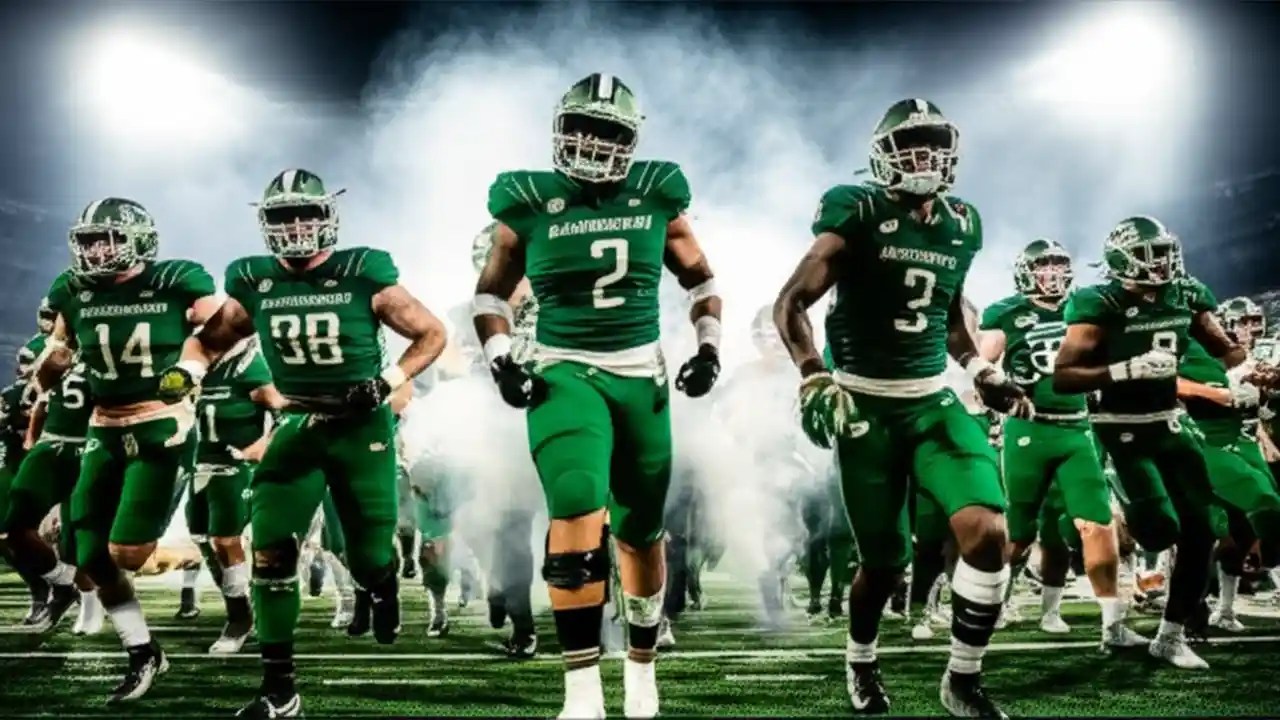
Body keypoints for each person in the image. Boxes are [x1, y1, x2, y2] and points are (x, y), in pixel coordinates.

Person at [473, 73, 722, 719]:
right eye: (581, 127)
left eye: (607, 130)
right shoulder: (526, 198)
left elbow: (700, 280)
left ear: (630, 139)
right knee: (576, 503)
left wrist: (710, 346)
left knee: (640, 533)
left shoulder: (658, 191)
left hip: (641, 375)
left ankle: (641, 664)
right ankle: (580, 692)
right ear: (559, 128)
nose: (591, 141)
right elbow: (489, 295)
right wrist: (501, 359)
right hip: (563, 371)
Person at [156, 168, 446, 719]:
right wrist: (188, 373)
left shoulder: (363, 272)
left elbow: (432, 334)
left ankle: (379, 585)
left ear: (327, 217)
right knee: (270, 547)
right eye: (283, 217)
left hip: (361, 429)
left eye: (305, 214)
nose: (295, 227)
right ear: (265, 224)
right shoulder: (256, 279)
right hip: (299, 424)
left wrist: (386, 382)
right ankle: (279, 689)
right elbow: (209, 339)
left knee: (364, 553)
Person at [774, 98, 1026, 717]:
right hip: (864, 406)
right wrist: (813, 375)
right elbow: (790, 303)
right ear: (882, 155)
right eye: (910, 145)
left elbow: (948, 314)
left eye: (935, 144)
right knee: (883, 566)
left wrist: (981, 370)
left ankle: (962, 679)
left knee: (988, 532)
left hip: (932, 402)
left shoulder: (962, 223)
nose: (925, 158)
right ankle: (860, 661)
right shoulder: (856, 209)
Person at [1053, 215, 1267, 669]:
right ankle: (1129, 552)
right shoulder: (1100, 301)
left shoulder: (1186, 293)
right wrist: (1123, 370)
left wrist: (1241, 374)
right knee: (1158, 528)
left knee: (1203, 528)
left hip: (1170, 422)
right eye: (1150, 256)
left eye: (1166, 252)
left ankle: (1170, 635)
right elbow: (1065, 376)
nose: (1162, 264)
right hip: (1120, 423)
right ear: (1120, 259)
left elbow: (1224, 345)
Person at [37, 197, 220, 702]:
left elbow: (225, 327)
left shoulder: (177, 279)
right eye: (89, 240)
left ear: (140, 239)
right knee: (91, 557)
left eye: (109, 239)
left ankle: (196, 555)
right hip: (104, 427)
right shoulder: (72, 290)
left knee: (129, 554)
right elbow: (60, 345)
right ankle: (143, 651)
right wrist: (51, 363)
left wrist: (194, 366)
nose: (97, 251)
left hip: (162, 424)